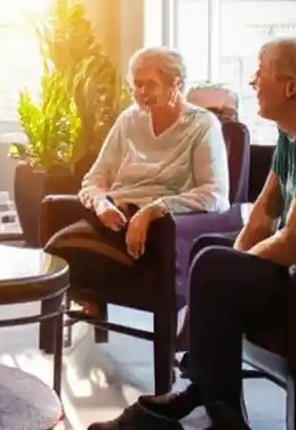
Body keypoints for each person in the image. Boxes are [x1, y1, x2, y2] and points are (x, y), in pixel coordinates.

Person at [94, 37, 296, 430]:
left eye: (260, 74)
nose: (252, 83)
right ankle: (209, 397)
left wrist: (221, 272)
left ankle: (212, 406)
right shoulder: (294, 133)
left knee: (215, 262)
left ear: (291, 86)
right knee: (211, 250)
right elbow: (262, 217)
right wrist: (223, 266)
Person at [45, 47, 230, 301]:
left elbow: (214, 195)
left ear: (175, 83)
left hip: (160, 228)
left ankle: (87, 288)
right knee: (57, 253)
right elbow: (94, 179)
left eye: (150, 85)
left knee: (67, 253)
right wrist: (101, 205)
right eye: (138, 85)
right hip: (114, 218)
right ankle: (73, 303)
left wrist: (153, 210)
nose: (141, 93)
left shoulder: (202, 125)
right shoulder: (129, 120)